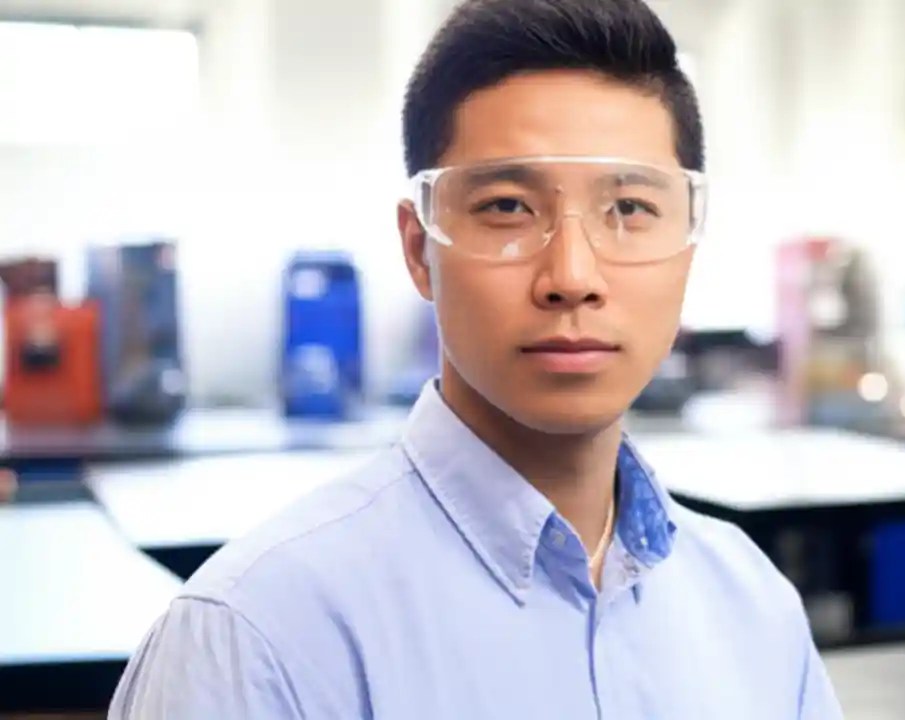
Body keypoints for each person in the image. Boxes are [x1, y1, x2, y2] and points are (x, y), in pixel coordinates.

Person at [109, 0, 843, 717]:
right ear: (418, 249)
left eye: (629, 209)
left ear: (688, 243)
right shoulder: (258, 641)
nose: (573, 278)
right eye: (507, 208)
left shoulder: (753, 609)